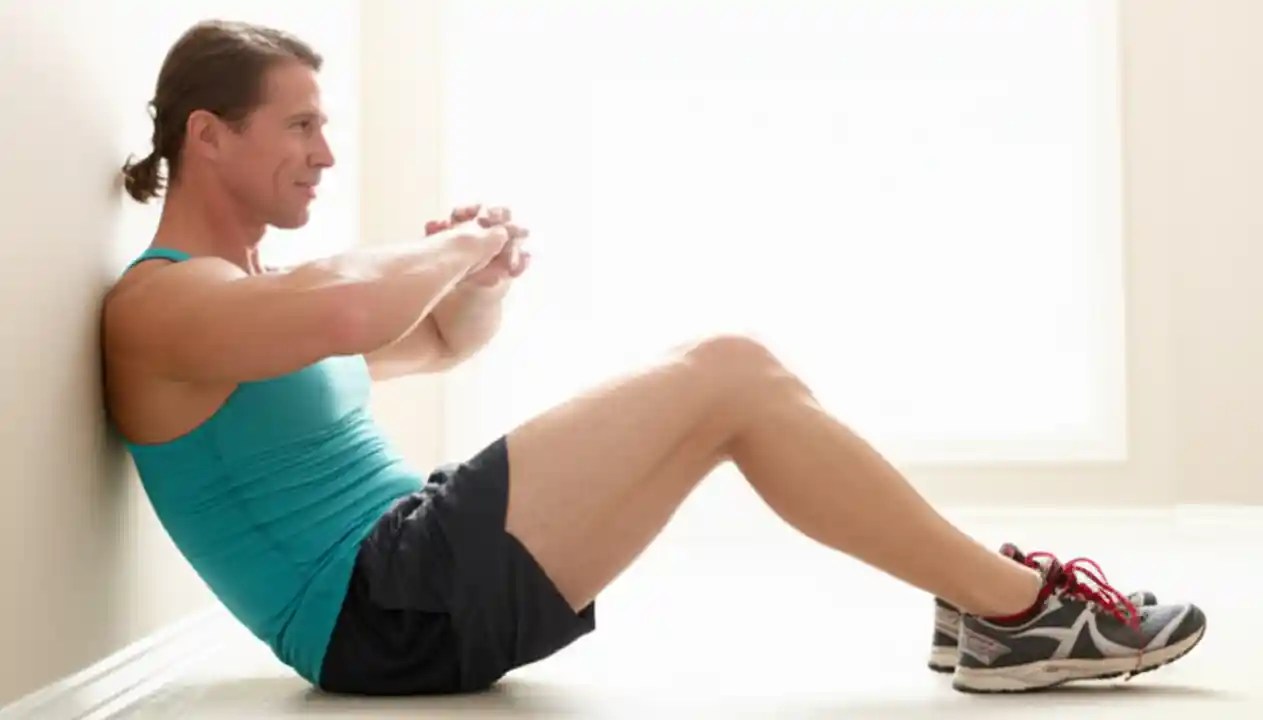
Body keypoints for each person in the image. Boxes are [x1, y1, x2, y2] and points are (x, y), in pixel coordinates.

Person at [102, 19, 1205, 697]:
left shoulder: (256, 305)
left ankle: (995, 607)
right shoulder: (164, 306)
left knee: (734, 385)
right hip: (377, 611)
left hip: (410, 565)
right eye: (299, 125)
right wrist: (459, 242)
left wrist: (479, 282)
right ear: (209, 134)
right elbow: (353, 309)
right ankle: (1017, 612)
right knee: (726, 369)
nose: (325, 153)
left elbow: (434, 342)